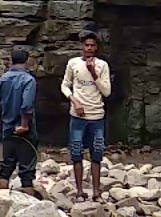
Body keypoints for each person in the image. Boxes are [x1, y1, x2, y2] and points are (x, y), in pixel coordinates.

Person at [61, 30, 111, 201]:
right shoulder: (73, 63)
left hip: (97, 116)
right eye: (86, 45)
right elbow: (65, 85)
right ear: (82, 47)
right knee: (76, 153)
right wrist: (74, 101)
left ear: (96, 48)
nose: (89, 48)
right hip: (77, 116)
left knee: (96, 153)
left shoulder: (102, 65)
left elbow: (107, 91)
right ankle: (80, 191)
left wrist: (93, 72)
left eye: (92, 45)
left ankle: (96, 192)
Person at [0, 47, 38, 195]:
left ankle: (1, 200)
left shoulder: (3, 79)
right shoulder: (29, 80)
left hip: (7, 126)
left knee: (6, 165)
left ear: (12, 60)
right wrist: (24, 125)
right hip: (24, 128)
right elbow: (27, 105)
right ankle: (29, 205)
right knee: (27, 169)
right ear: (27, 60)